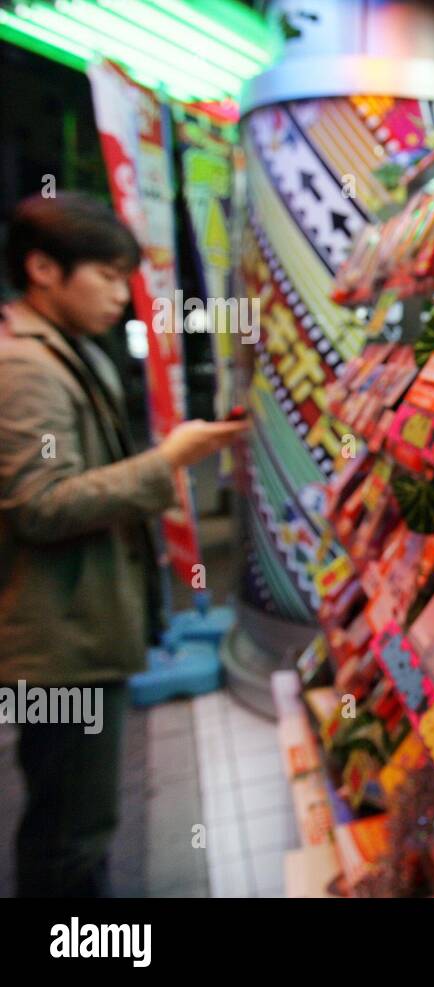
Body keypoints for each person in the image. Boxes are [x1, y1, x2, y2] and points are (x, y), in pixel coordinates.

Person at [0, 192, 248, 896]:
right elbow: (39, 503)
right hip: (55, 649)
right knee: (69, 830)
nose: (120, 292)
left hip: (75, 632)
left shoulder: (68, 350)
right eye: (106, 275)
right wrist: (170, 460)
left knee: (75, 814)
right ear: (43, 267)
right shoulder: (24, 367)